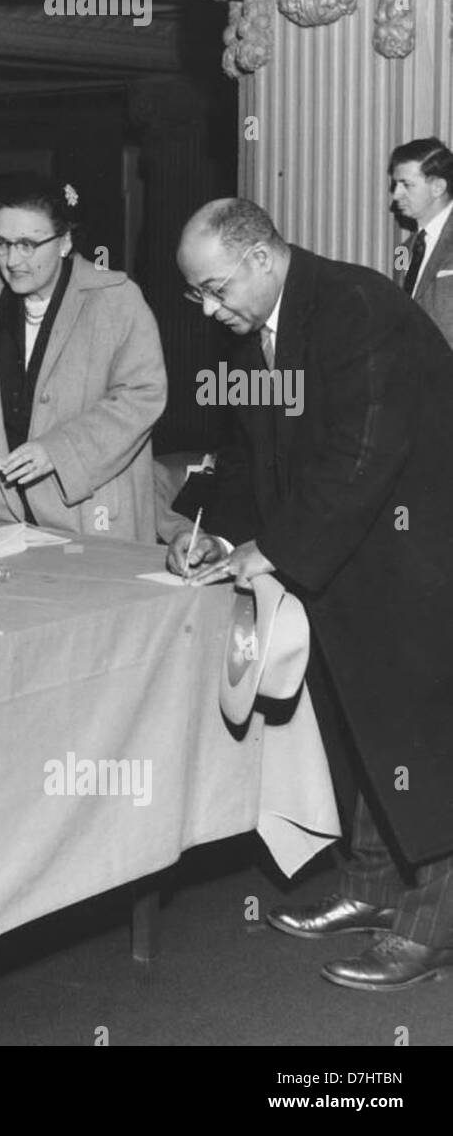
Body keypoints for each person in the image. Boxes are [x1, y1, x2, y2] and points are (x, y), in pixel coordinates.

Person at [169, 198, 453, 991]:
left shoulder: (357, 307)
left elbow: (362, 454)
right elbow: (250, 449)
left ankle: (433, 930)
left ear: (262, 255)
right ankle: (369, 888)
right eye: (197, 294)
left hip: (418, 553)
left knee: (420, 740)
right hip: (346, 555)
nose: (210, 309)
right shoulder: (257, 328)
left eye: (218, 288)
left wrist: (276, 550)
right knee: (357, 727)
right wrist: (217, 534)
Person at [0, 174, 167, 541]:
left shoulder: (117, 298)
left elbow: (142, 396)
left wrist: (58, 452)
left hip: (90, 518)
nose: (12, 260)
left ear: (65, 242)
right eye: (2, 244)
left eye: (28, 244)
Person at [389, 136, 453, 350]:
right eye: (395, 184)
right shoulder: (402, 251)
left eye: (406, 184)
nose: (396, 194)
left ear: (438, 187)